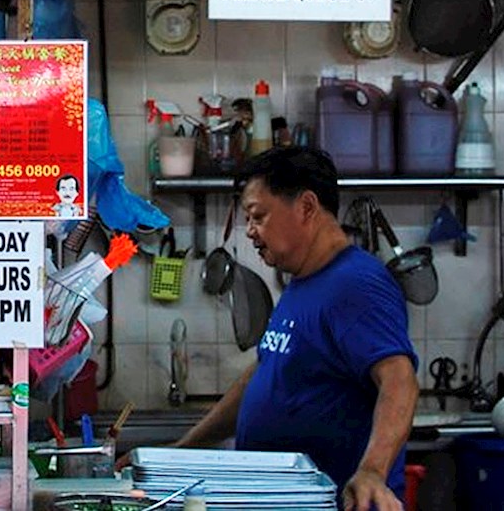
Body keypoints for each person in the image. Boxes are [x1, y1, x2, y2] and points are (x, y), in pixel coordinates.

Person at [167, 147, 418, 511]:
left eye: (257, 216)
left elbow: (399, 378)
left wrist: (372, 472)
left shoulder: (355, 283)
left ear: (306, 207)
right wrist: (182, 451)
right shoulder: (303, 283)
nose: (250, 232)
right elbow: (267, 375)